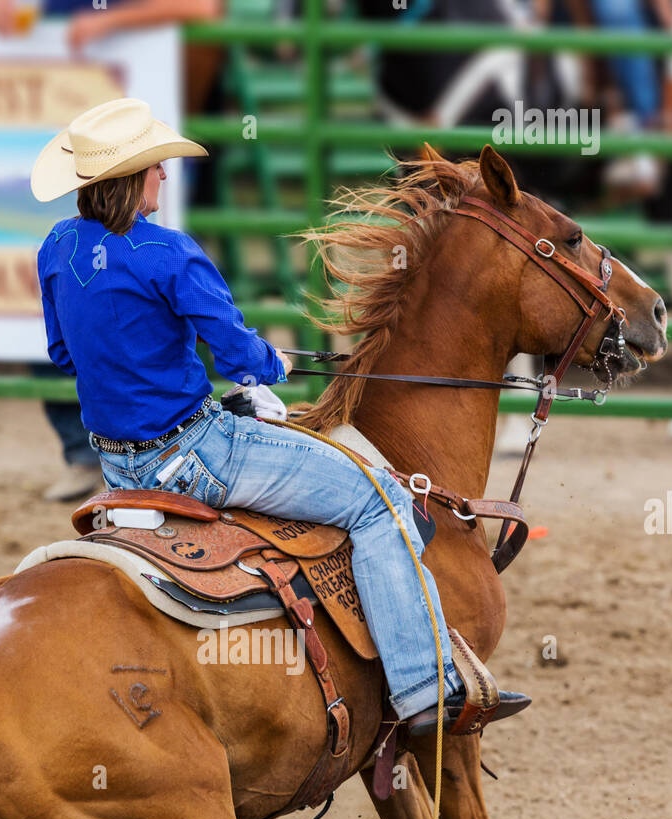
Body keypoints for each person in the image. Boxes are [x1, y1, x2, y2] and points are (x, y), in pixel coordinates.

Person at [31, 98, 529, 736]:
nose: (165, 175)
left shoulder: (57, 247)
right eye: (157, 166)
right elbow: (237, 350)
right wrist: (269, 364)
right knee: (378, 499)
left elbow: (63, 353)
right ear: (132, 177)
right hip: (199, 451)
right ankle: (423, 688)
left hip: (116, 462)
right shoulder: (170, 255)